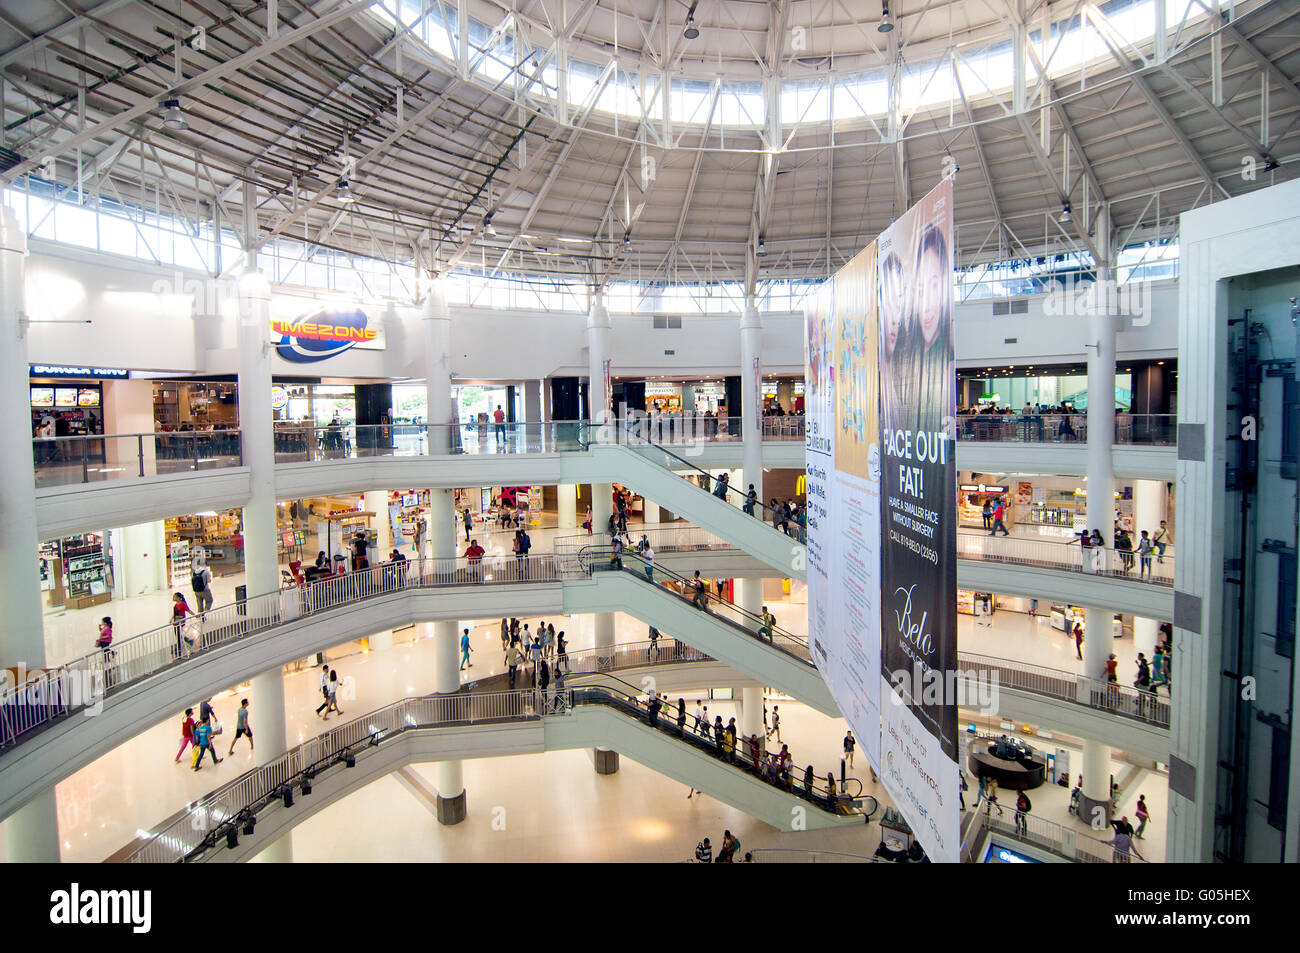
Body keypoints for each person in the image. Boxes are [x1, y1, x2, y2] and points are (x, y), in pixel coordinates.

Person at [171, 592, 197, 656]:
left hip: (180, 621)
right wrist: (171, 619)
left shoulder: (183, 604)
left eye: (175, 596)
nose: (173, 598)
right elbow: (174, 613)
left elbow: (188, 610)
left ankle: (179, 647)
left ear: (179, 598)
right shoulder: (175, 605)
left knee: (178, 635)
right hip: (176, 621)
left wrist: (195, 615)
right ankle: (188, 641)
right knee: (178, 634)